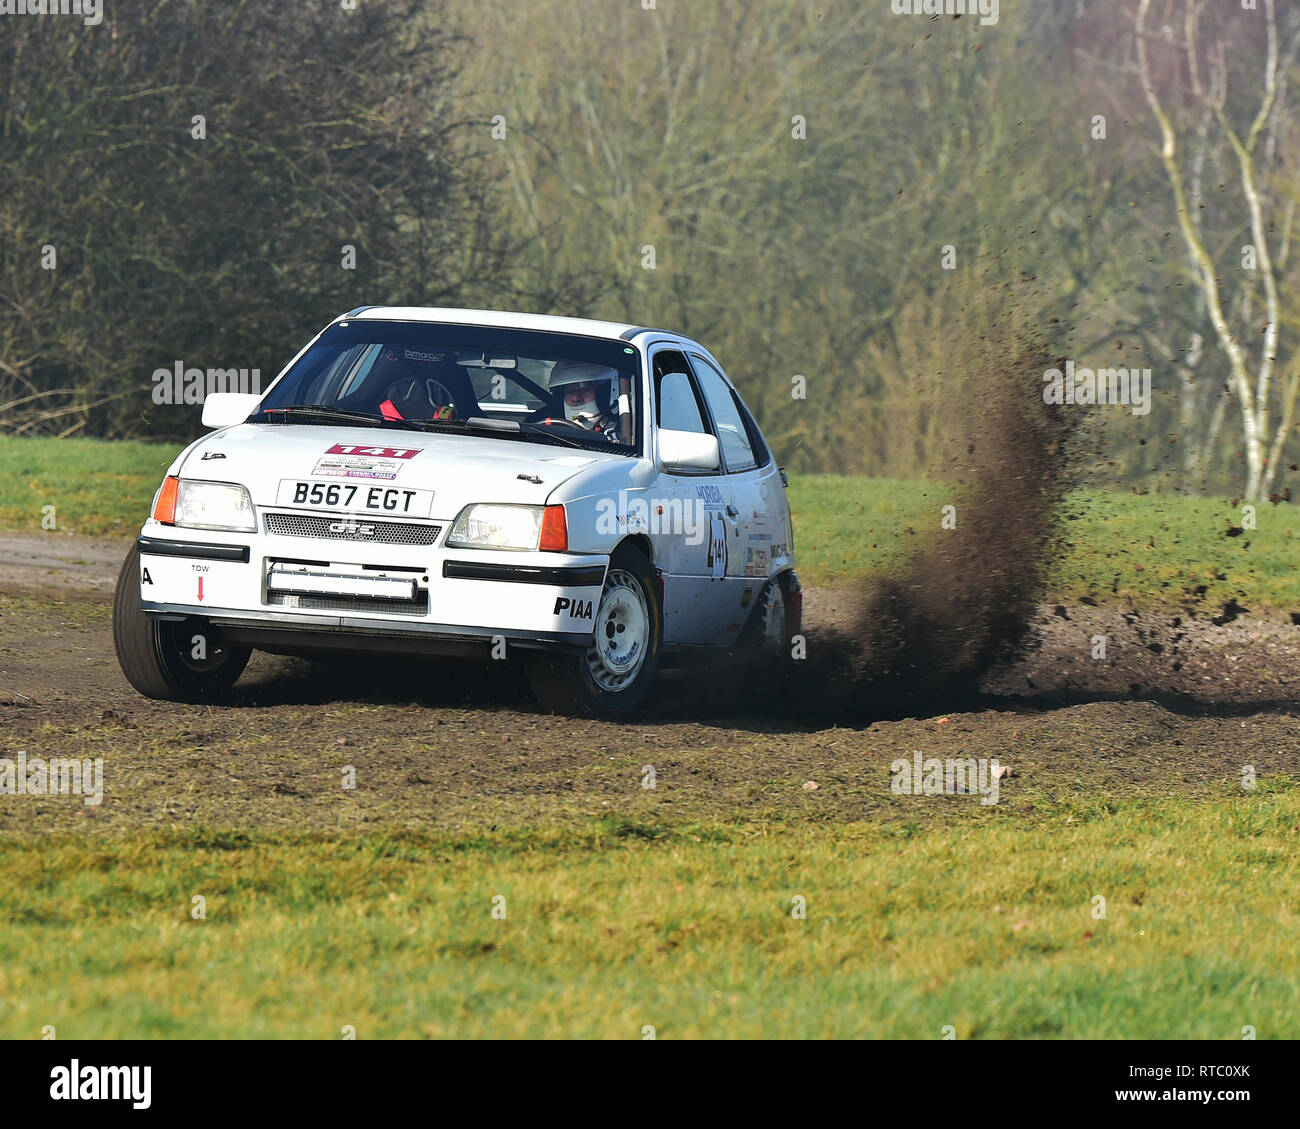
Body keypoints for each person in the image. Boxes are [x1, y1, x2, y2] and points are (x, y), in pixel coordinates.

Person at [546, 360, 621, 438]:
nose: (575, 397)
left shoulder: (626, 435)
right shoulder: (550, 433)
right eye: (569, 391)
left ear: (606, 393)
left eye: (584, 389)